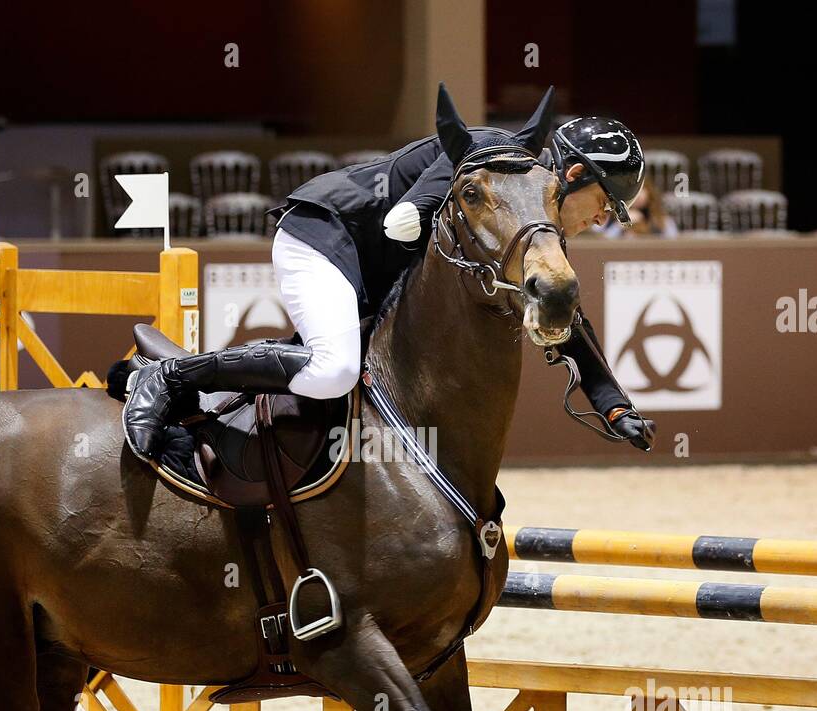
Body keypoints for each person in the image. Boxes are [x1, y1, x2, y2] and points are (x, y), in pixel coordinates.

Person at [122, 85, 655, 462]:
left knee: (329, 377)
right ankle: (168, 376)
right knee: (333, 370)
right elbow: (408, 217)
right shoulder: (492, 154)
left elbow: (563, 310)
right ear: (577, 173)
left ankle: (215, 412)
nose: (602, 220)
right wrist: (423, 208)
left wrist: (611, 405)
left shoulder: (530, 218)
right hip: (328, 236)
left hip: (376, 273)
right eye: (605, 205)